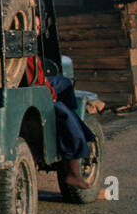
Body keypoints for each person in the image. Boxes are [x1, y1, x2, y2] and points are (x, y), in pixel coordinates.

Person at [25, 15, 94, 190]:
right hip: (32, 93)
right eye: (36, 27)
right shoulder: (25, 49)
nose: (38, 31)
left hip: (32, 85)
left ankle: (69, 114)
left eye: (40, 27)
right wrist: (53, 98)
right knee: (65, 113)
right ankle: (72, 172)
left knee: (64, 83)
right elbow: (39, 85)